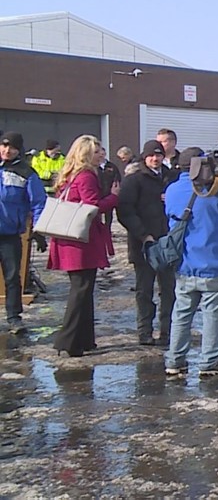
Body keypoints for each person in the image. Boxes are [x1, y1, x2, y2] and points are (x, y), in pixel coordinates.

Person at [163, 147, 218, 378]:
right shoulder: (217, 192)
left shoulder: (172, 190)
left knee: (182, 313)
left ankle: (175, 360)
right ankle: (210, 361)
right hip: (215, 264)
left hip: (184, 263)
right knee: (212, 314)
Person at [47, 135, 119, 357]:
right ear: (86, 154)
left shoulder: (70, 174)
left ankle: (85, 339)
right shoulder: (86, 175)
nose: (101, 155)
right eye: (96, 151)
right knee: (81, 290)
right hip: (81, 241)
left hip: (69, 239)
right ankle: (67, 341)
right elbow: (92, 207)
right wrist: (113, 197)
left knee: (83, 289)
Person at [116, 140, 176, 346]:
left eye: (158, 155)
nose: (155, 159)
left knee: (168, 289)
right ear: (144, 157)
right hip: (143, 243)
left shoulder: (170, 177)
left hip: (167, 242)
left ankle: (167, 331)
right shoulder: (134, 180)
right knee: (144, 290)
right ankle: (145, 331)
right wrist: (143, 235)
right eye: (151, 155)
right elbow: (125, 211)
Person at [0, 132, 47, 335]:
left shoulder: (26, 173)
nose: (7, 150)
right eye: (3, 146)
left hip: (10, 234)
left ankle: (14, 317)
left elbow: (38, 203)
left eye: (12, 147)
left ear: (19, 150)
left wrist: (39, 229)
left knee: (12, 277)